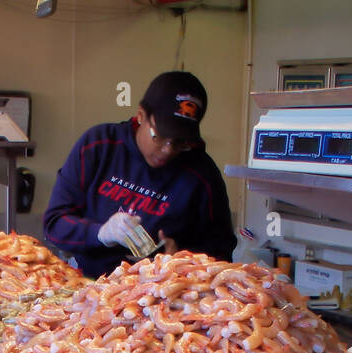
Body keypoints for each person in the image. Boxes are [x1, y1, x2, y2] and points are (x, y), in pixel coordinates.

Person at [43, 71, 236, 279]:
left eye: (181, 142)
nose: (168, 150)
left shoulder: (202, 176)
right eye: (159, 136)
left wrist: (182, 258)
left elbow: (221, 255)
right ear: (141, 115)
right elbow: (54, 224)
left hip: (159, 294)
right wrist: (101, 233)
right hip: (87, 279)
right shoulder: (99, 146)